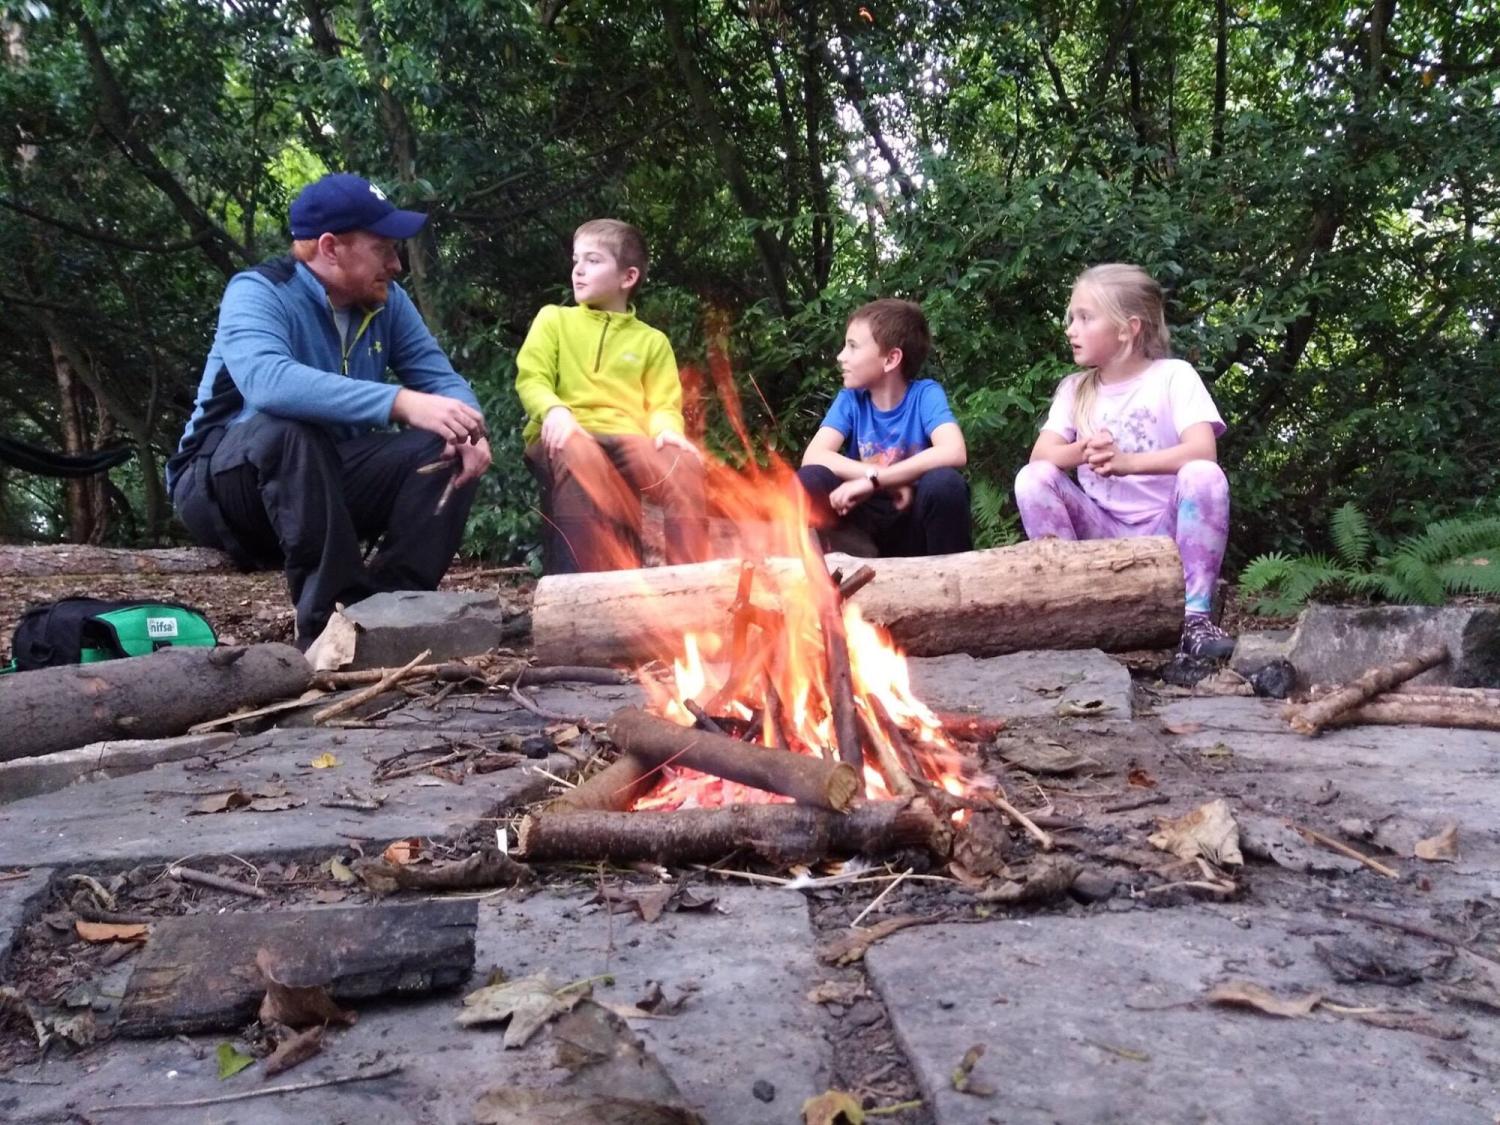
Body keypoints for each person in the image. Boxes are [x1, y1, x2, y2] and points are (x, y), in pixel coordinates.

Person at [166, 173, 490, 647]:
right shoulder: (258, 291)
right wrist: (398, 401)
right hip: (224, 489)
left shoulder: (387, 304)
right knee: (288, 430)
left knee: (444, 446)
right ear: (331, 247)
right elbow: (268, 382)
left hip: (327, 488)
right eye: (384, 248)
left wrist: (470, 432)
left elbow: (441, 380)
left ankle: (388, 616)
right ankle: (324, 628)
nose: (396, 264)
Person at [1013, 262, 1234, 659]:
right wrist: (1082, 451)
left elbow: (1203, 449)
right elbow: (1041, 457)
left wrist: (1127, 462)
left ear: (1127, 329)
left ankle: (1194, 620)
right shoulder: (1074, 389)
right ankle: (1074, 613)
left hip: (1166, 535)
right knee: (1033, 479)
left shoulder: (1173, 376)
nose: (1071, 329)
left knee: (1204, 475)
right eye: (1071, 318)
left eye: (1085, 318)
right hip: (1101, 534)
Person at [515, 218, 706, 573]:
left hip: (629, 443)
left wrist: (668, 431)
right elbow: (532, 378)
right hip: (568, 433)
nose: (578, 271)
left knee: (683, 464)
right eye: (576, 261)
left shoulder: (652, 341)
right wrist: (554, 410)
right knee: (579, 453)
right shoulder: (554, 320)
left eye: (593, 260)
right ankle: (577, 595)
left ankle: (690, 586)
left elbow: (663, 405)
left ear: (627, 277)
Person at [796, 299, 971, 556]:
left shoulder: (925, 395)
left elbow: (954, 451)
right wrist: (878, 479)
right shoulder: (851, 399)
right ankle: (827, 579)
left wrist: (875, 481)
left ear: (891, 359)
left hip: (912, 527)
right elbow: (813, 456)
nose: (840, 356)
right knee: (811, 479)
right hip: (860, 527)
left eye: (852, 347)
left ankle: (955, 582)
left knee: (945, 484)